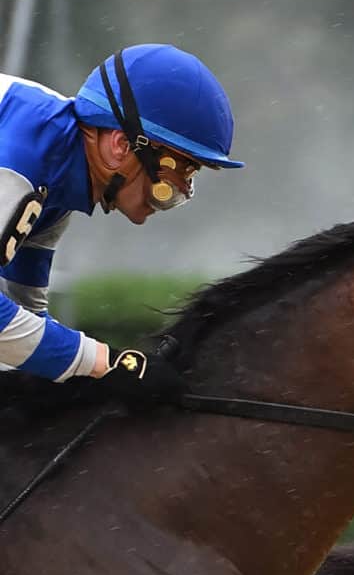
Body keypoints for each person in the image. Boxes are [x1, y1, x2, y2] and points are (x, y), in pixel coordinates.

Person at [0, 44, 242, 398]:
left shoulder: (59, 169)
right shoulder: (23, 166)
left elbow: (24, 314)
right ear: (121, 146)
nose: (172, 193)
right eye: (175, 174)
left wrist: (93, 372)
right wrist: (109, 364)